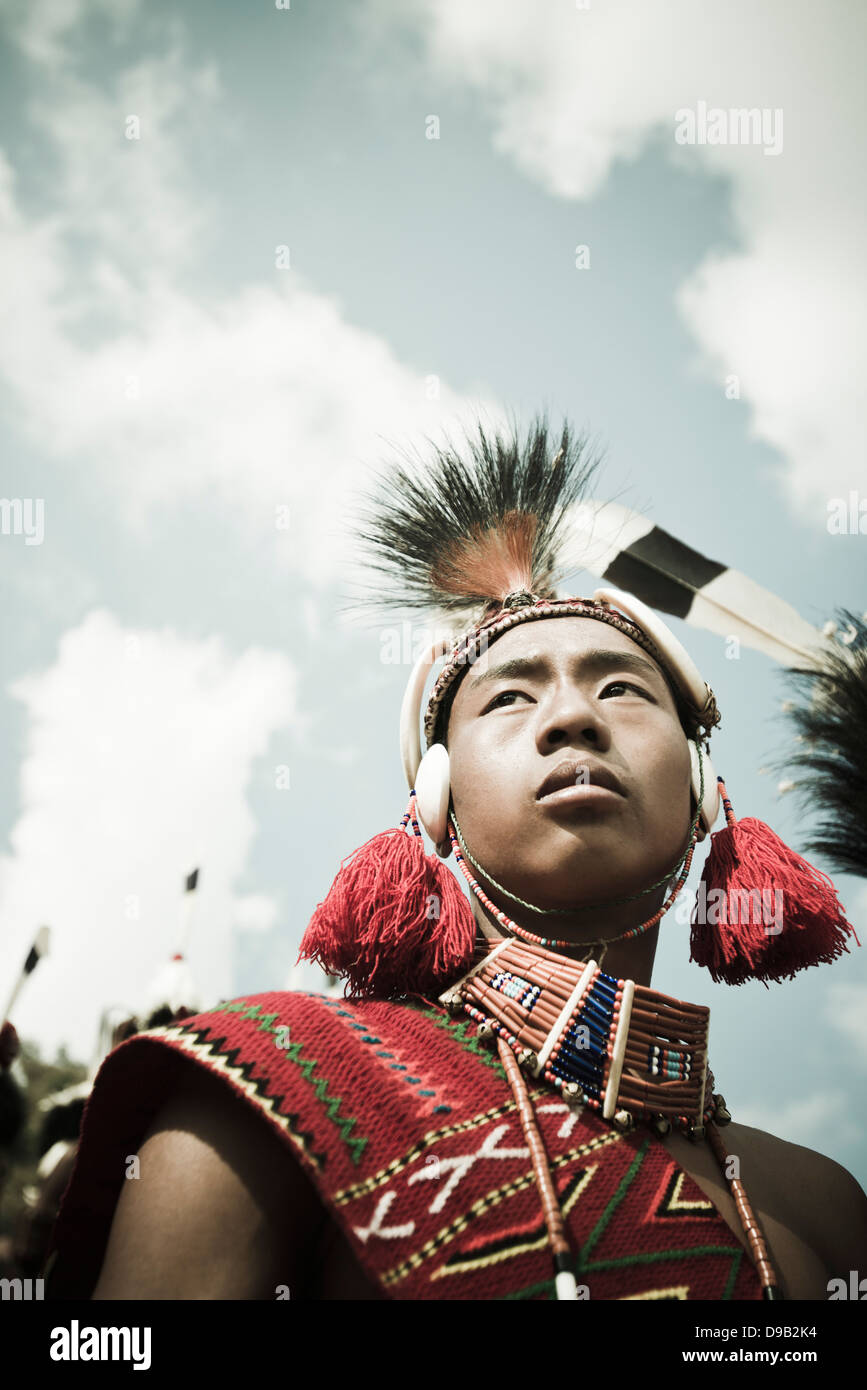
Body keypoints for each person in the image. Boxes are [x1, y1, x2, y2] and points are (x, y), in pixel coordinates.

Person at [45, 418, 867, 1301]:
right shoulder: (283, 1088)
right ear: (435, 802)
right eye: (509, 697)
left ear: (703, 781)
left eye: (621, 688)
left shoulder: (820, 1205)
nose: (571, 719)